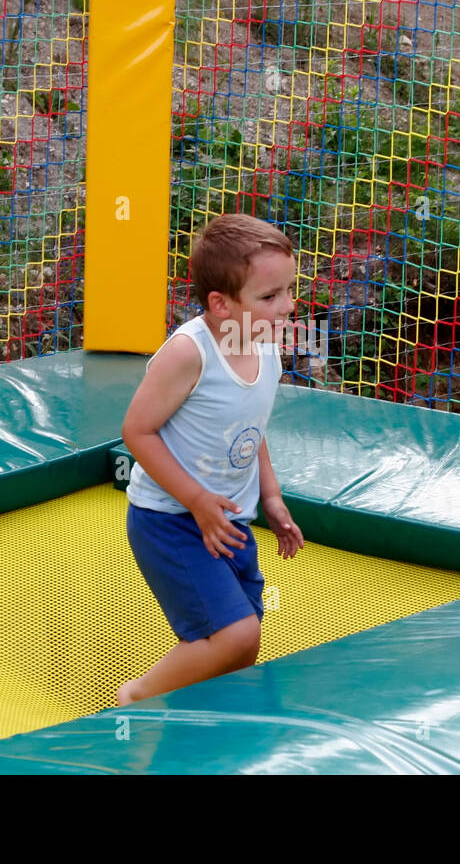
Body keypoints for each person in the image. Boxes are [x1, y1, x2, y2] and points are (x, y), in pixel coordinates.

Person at [116, 213, 305, 706]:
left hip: (228, 519)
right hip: (171, 519)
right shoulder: (189, 354)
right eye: (270, 296)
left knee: (242, 637)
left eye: (289, 291)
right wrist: (197, 500)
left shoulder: (265, 345)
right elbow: (137, 431)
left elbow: (252, 429)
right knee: (236, 634)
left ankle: (200, 718)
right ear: (221, 304)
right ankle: (137, 697)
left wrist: (271, 495)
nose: (288, 306)